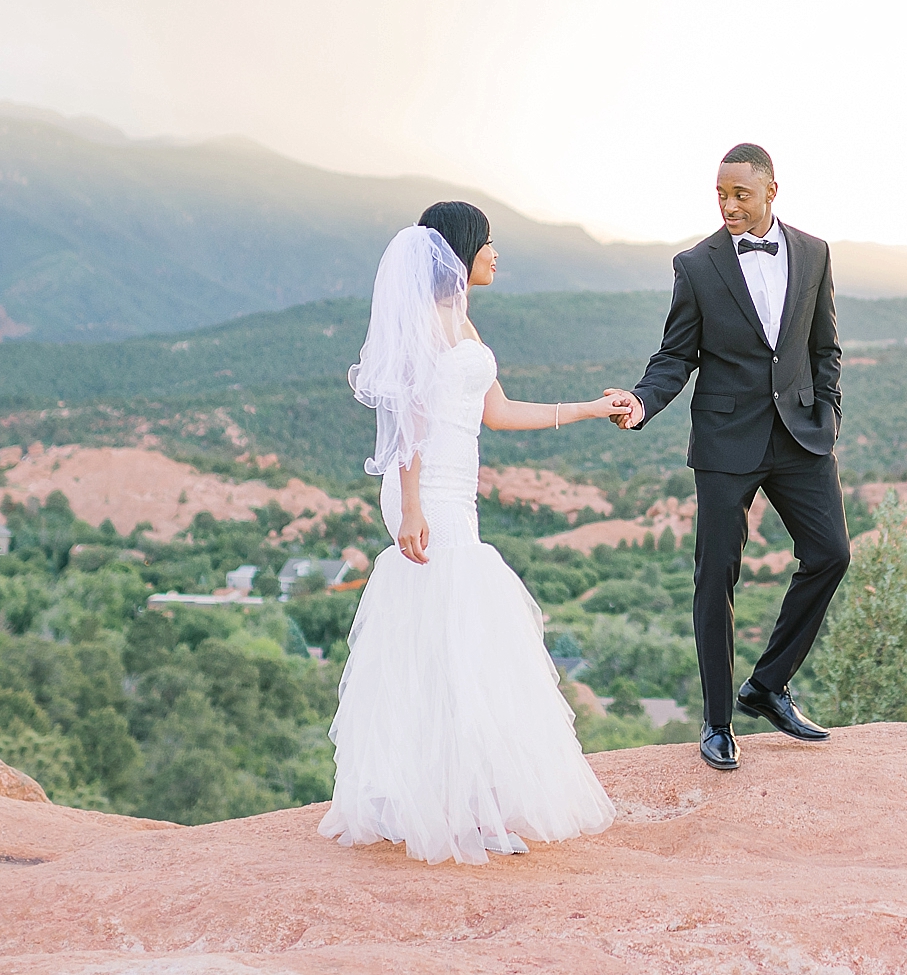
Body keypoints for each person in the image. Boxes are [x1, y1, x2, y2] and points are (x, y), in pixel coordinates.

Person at [320, 201, 625, 864]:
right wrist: (408, 509)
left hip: (456, 491)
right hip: (425, 494)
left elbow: (502, 411)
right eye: (488, 244)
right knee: (460, 645)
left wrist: (593, 408)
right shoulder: (420, 328)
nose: (496, 255)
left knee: (454, 641)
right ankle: (469, 817)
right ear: (459, 251)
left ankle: (460, 801)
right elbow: (407, 424)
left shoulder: (463, 320)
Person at [605, 145, 850, 771]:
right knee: (716, 577)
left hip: (800, 436)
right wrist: (642, 400)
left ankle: (767, 685)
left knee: (830, 554)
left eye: (741, 193)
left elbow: (825, 345)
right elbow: (675, 355)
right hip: (724, 441)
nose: (728, 204)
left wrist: (829, 411)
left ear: (772, 190)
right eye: (721, 193)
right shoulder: (696, 265)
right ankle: (716, 723)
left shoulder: (815, 252)